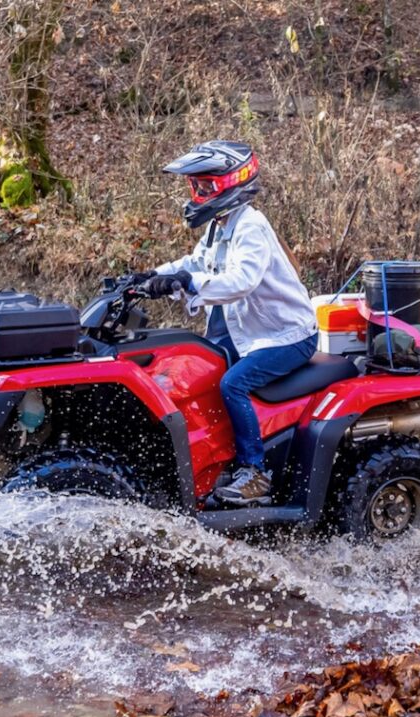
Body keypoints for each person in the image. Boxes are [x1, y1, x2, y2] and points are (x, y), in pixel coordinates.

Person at [140, 140, 318, 506]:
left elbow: (242, 281)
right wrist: (147, 278)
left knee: (233, 384)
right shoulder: (220, 226)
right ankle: (212, 461)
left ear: (231, 182)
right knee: (192, 374)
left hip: (286, 336)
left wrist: (189, 284)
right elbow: (194, 263)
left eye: (205, 186)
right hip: (250, 334)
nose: (198, 194)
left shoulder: (250, 226)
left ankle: (255, 475)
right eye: (196, 187)